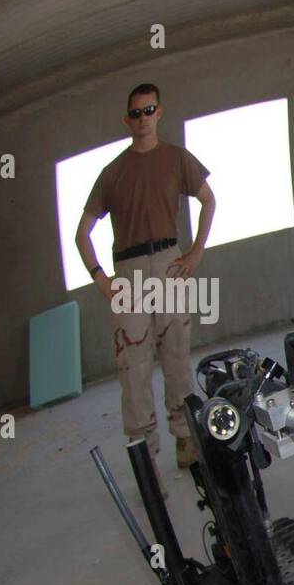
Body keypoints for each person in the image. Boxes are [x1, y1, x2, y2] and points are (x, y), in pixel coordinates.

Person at [75, 82, 216, 469]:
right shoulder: (112, 173)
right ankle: (145, 455)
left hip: (169, 263)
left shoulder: (176, 158)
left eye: (149, 110)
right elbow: (81, 233)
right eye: (135, 113)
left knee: (176, 357)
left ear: (160, 112)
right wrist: (100, 278)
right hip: (128, 271)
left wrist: (197, 249)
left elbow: (208, 199)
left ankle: (186, 439)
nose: (143, 119)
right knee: (133, 367)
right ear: (127, 119)